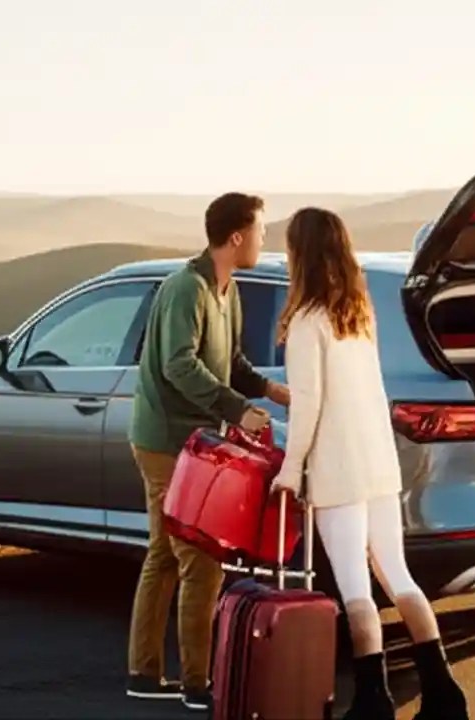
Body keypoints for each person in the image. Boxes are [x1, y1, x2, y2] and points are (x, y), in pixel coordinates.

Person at [268, 207, 469, 720]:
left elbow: (309, 403)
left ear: (300, 255)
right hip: (379, 464)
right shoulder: (358, 315)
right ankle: (444, 694)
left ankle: (373, 703)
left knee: (356, 587)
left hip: (338, 470)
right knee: (398, 576)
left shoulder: (307, 322)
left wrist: (290, 469)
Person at [125, 191, 291, 712]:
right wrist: (237, 407)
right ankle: (199, 684)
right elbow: (179, 364)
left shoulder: (228, 288)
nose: (266, 239)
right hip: (165, 441)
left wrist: (272, 391)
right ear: (236, 236)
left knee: (164, 554)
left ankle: (143, 673)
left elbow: (232, 362)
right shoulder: (186, 289)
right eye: (261, 231)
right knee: (198, 559)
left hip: (196, 444)